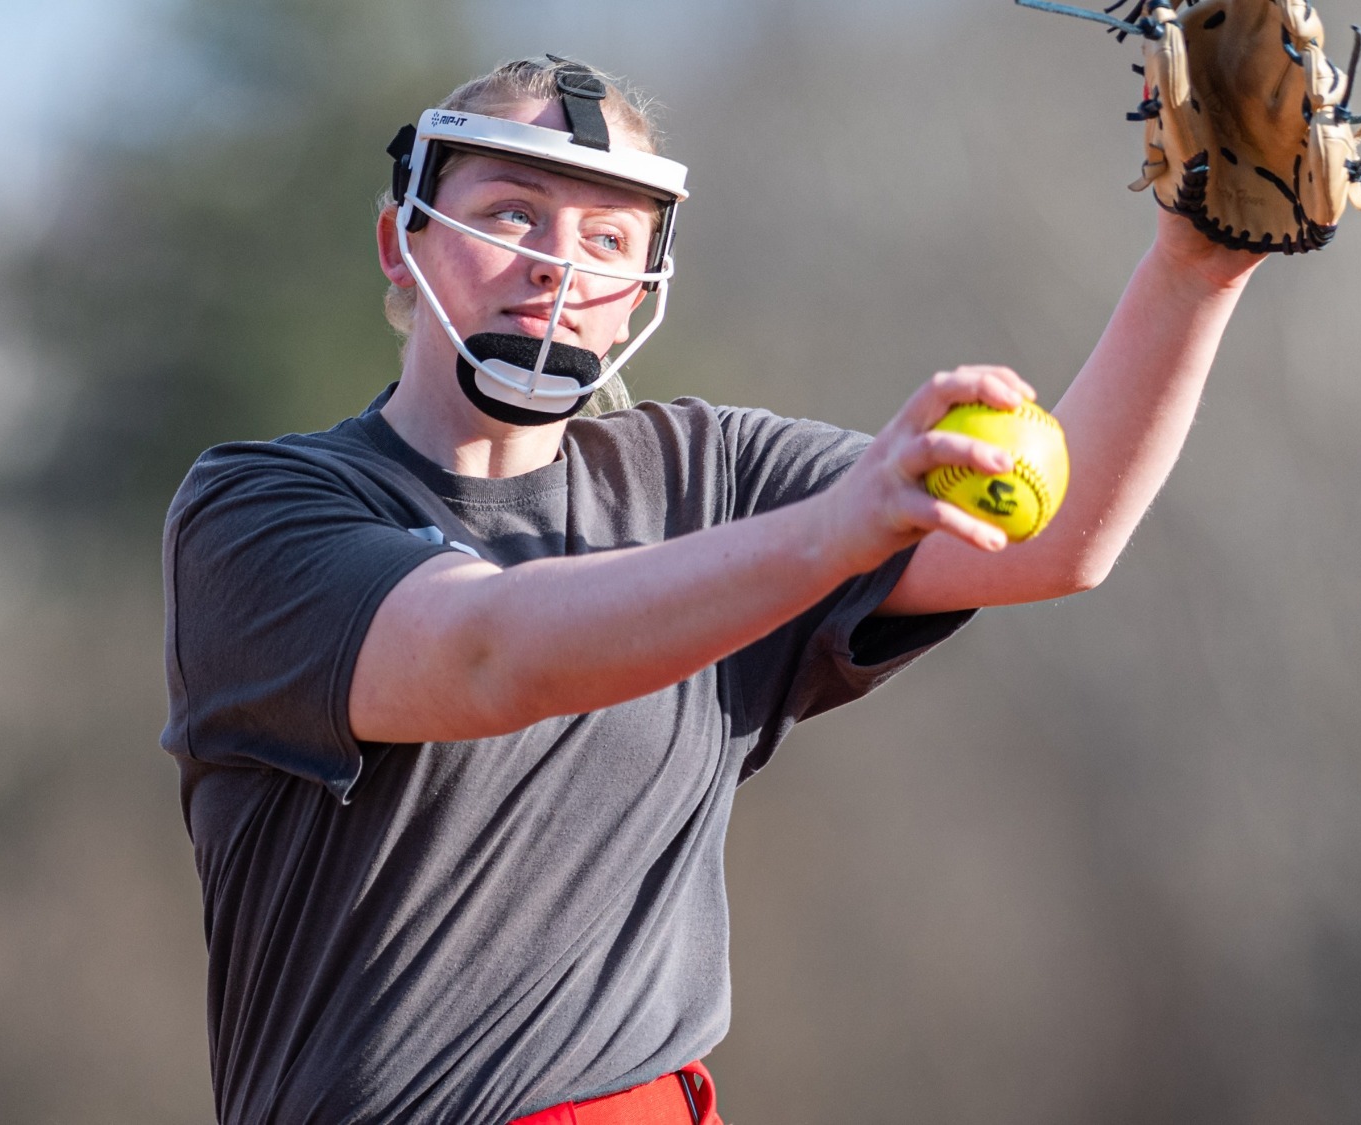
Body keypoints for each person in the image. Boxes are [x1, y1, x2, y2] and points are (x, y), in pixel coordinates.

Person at [160, 55, 1260, 1125]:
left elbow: (1044, 545)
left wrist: (1195, 270)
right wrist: (828, 533)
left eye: (608, 238)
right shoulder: (260, 508)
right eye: (511, 215)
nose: (561, 266)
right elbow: (485, 653)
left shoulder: (709, 475)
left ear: (640, 285)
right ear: (403, 242)